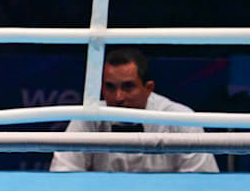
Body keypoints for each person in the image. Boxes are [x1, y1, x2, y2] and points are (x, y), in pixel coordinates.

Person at [50, 48, 219, 173]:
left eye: (128, 87)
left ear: (148, 88)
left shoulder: (180, 119)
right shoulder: (87, 119)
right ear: (101, 88)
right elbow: (63, 174)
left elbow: (201, 183)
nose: (118, 97)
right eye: (110, 87)